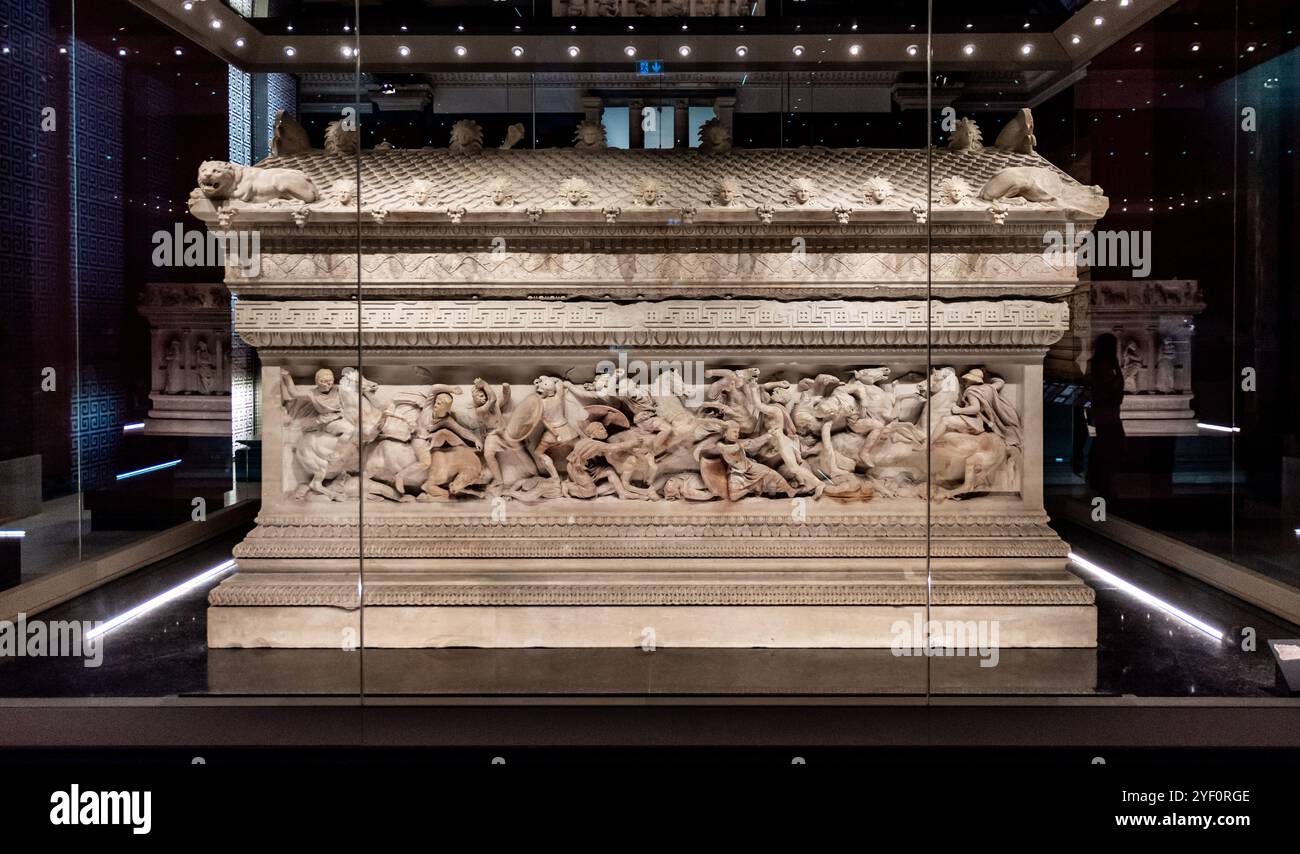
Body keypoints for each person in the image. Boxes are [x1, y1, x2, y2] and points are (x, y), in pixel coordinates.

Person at [1085, 333, 1126, 501]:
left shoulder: (1098, 364)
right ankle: (1104, 486)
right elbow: (1115, 387)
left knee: (1105, 449)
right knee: (1110, 450)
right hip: (1108, 414)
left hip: (1105, 413)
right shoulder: (1103, 365)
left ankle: (1102, 486)